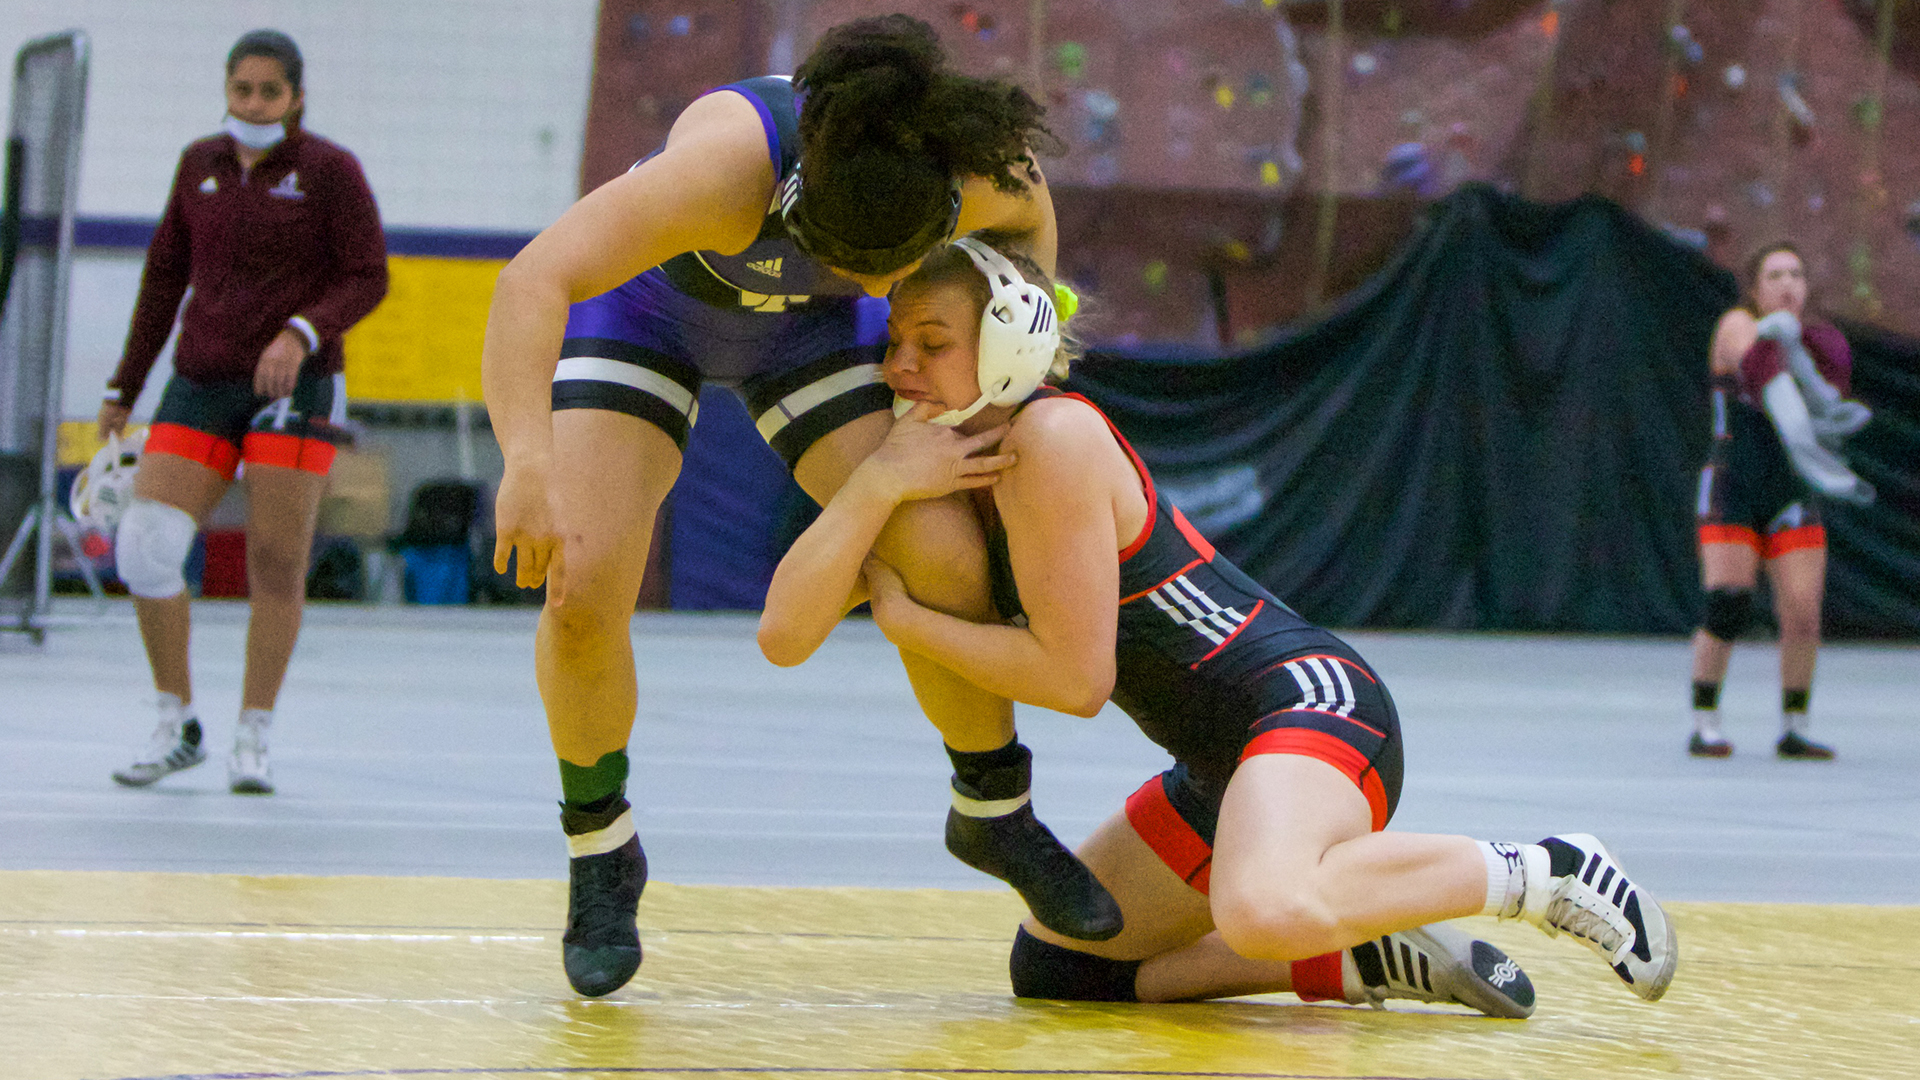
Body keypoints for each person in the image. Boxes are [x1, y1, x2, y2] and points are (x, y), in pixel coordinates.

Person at [759, 236, 1679, 1012]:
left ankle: (1546, 869)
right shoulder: (931, 463)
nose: (899, 366)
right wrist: (877, 483)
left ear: (1008, 348)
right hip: (1219, 764)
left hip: (1306, 706)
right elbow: (784, 636)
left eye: (932, 342)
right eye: (896, 341)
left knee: (1260, 905)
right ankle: (1357, 954)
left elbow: (1075, 681)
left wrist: (907, 621)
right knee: (1062, 968)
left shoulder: (1053, 440)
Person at [480, 15, 1117, 999]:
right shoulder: (723, 170)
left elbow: (1029, 236)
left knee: (938, 549)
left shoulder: (979, 169)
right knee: (581, 584)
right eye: (853, 261)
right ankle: (602, 846)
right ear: (796, 200)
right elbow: (535, 278)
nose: (872, 285)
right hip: (652, 315)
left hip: (805, 335)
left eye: (888, 270)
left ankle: (993, 806)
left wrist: (1021, 341)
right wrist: (526, 458)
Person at [102, 30, 388, 796]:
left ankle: (253, 733)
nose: (253, 104)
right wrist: (122, 388)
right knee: (146, 547)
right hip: (200, 381)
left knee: (276, 561)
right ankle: (176, 723)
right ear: (226, 91)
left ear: (296, 97)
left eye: (268, 92)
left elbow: (369, 277)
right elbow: (163, 281)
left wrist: (301, 332)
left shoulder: (330, 172)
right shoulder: (198, 166)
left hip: (295, 389)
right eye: (242, 90)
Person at [1688, 242, 1872, 760]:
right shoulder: (1737, 325)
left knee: (1803, 612)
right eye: (1775, 275)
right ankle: (1705, 718)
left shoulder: (1823, 342)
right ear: (1755, 288)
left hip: (1789, 489)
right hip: (1733, 484)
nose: (1788, 284)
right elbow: (1764, 373)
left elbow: (1829, 399)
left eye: (1796, 273)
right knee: (1728, 600)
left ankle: (1795, 724)